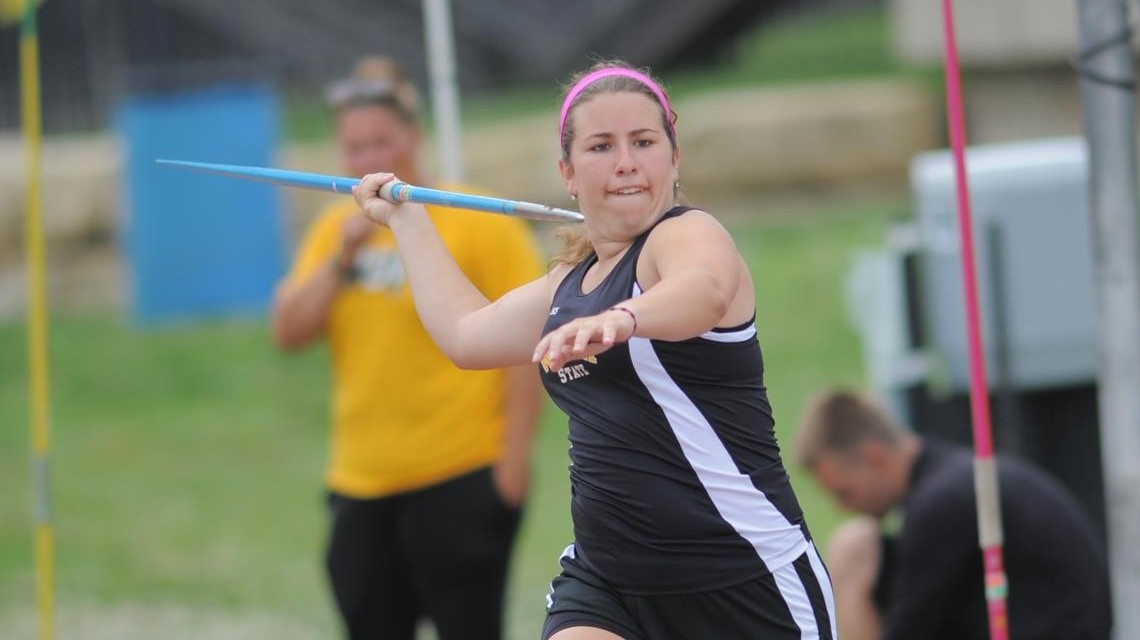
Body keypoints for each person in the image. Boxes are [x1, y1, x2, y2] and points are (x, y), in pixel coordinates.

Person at [351, 60, 836, 640]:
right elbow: (466, 335)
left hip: (742, 581)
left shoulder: (686, 234)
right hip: (608, 583)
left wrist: (625, 319)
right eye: (601, 146)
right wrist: (406, 223)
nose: (626, 162)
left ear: (674, 157)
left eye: (644, 142)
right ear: (569, 173)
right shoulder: (569, 286)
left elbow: (702, 291)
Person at [271, 56, 544, 640]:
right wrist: (341, 257)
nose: (369, 159)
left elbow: (527, 346)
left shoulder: (478, 220)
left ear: (413, 136)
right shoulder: (334, 230)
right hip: (361, 481)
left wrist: (512, 466)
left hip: (461, 470)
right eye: (355, 148)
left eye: (381, 143)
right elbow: (288, 333)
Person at [793, 389, 1113, 640]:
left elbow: (910, 632)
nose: (843, 508)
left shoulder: (942, 504)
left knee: (852, 547)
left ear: (874, 458)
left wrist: (852, 589)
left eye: (845, 492)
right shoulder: (955, 480)